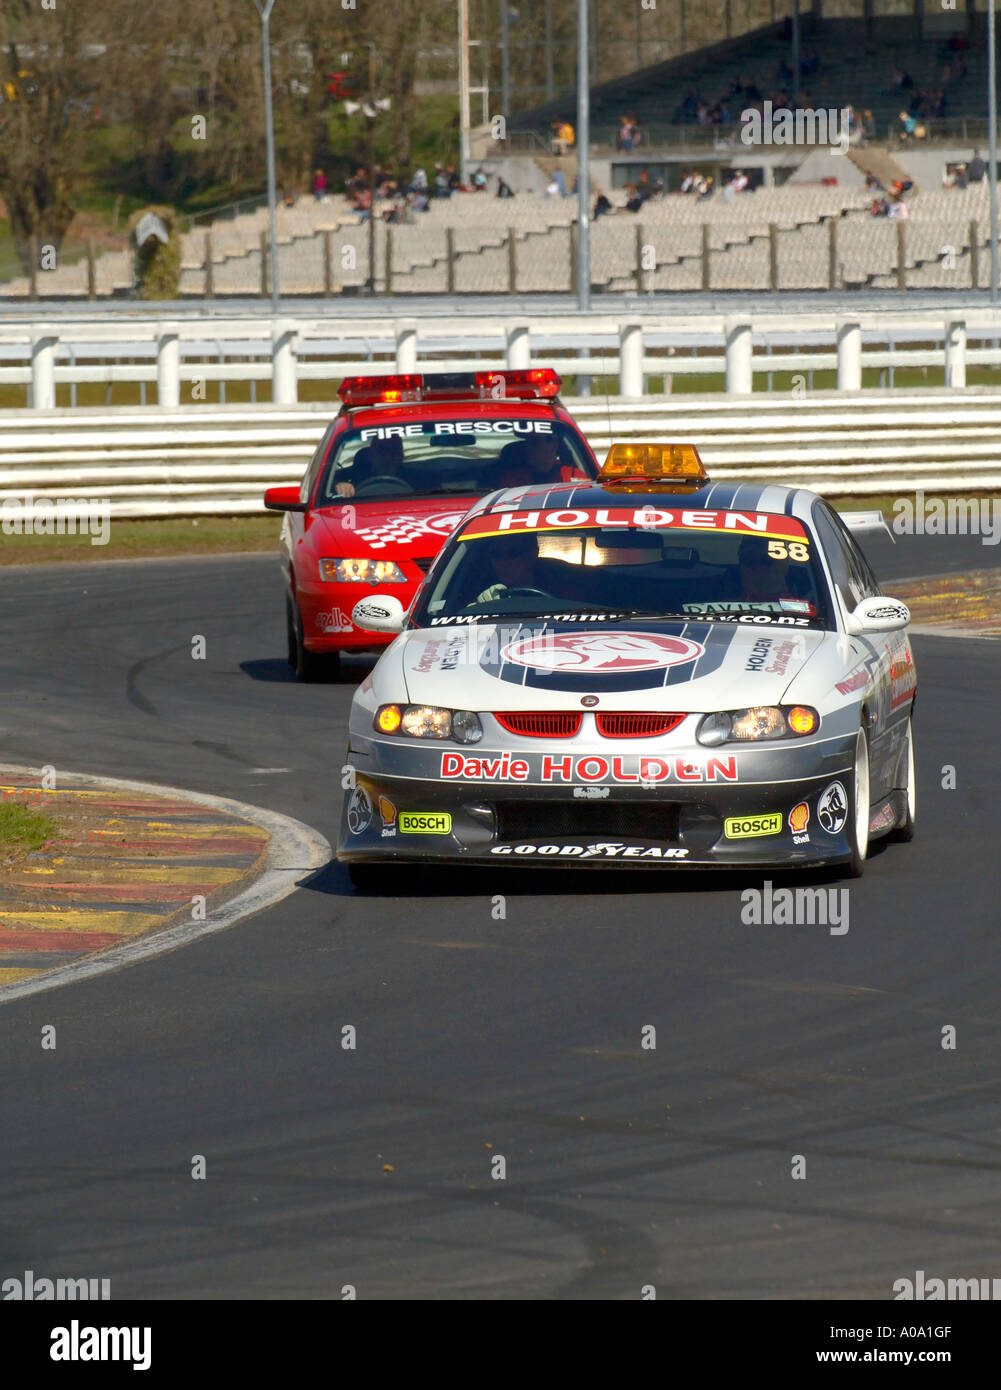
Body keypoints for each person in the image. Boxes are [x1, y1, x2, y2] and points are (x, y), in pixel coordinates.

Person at [474, 533, 547, 604]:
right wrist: (482, 606)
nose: (504, 563)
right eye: (496, 555)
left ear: (532, 555)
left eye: (513, 553)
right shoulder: (480, 594)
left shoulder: (556, 591)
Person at [335, 436, 412, 498]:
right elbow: (328, 486)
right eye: (381, 451)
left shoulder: (415, 479)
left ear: (401, 457)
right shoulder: (353, 477)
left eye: (394, 452)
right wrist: (339, 486)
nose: (387, 457)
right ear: (371, 456)